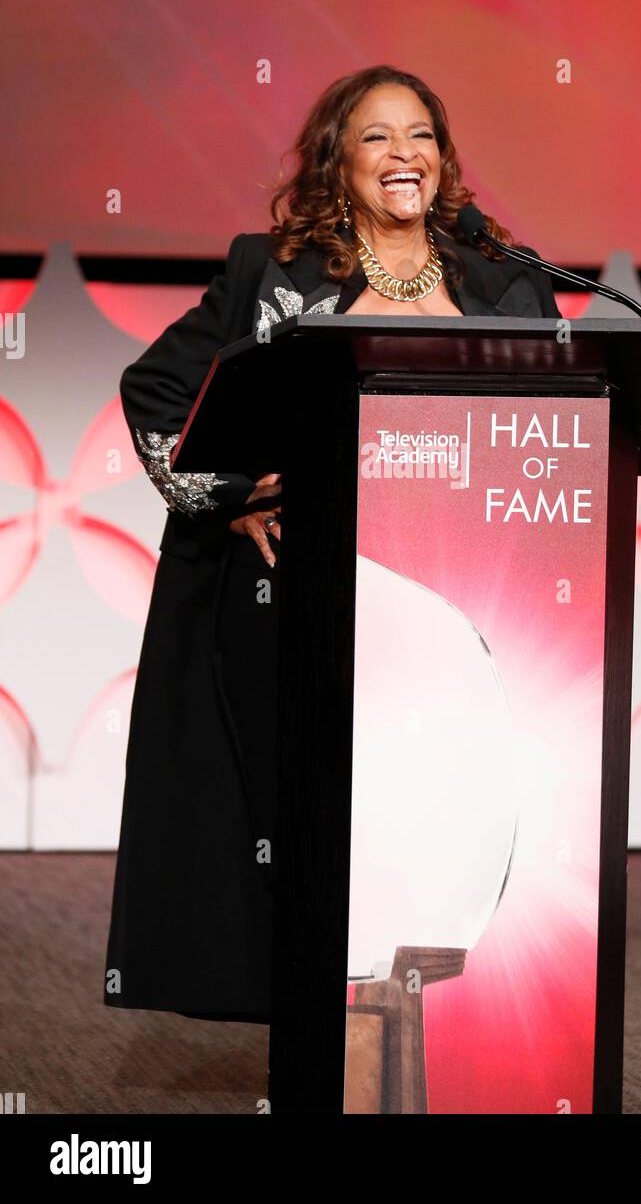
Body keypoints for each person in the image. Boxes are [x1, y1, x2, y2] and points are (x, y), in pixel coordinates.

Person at [103, 64, 562, 1025]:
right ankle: (317, 1034)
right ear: (338, 164)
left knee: (428, 814)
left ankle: (422, 1027)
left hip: (457, 607)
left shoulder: (505, 278)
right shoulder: (270, 272)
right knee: (312, 818)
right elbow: (155, 391)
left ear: (444, 159)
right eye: (377, 138)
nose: (405, 155)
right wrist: (224, 496)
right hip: (304, 594)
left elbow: (558, 415)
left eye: (422, 136)